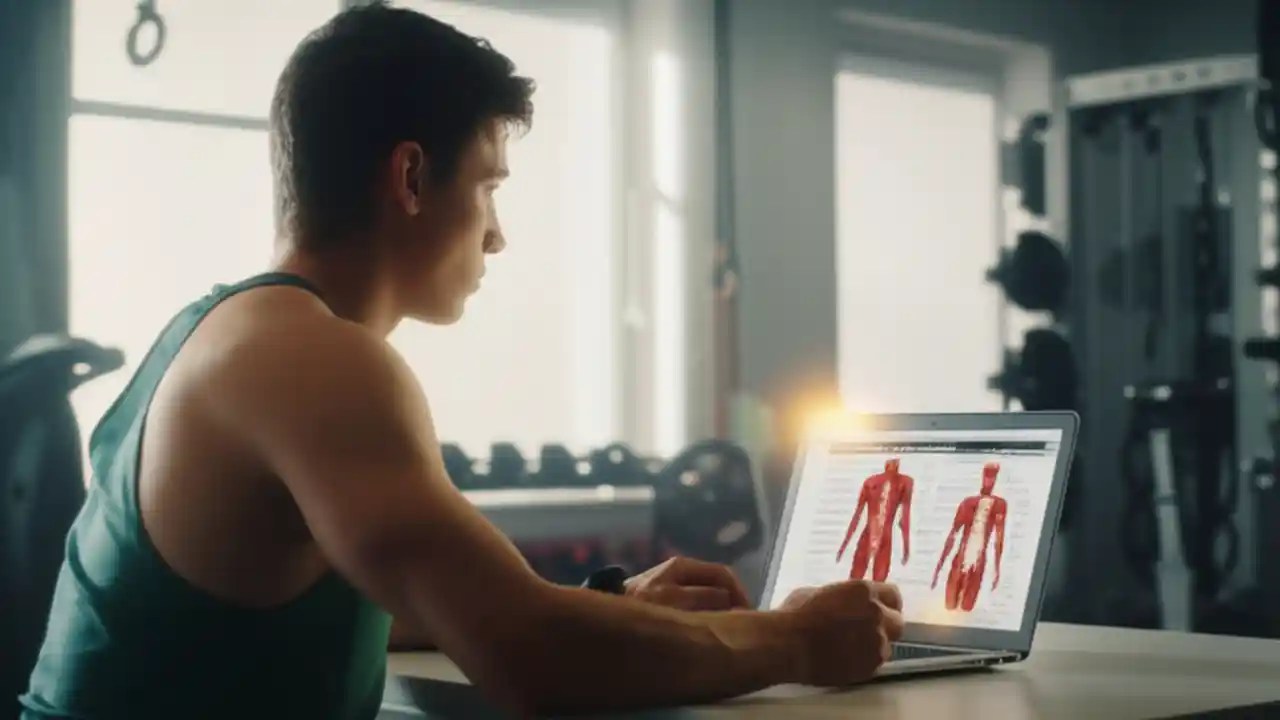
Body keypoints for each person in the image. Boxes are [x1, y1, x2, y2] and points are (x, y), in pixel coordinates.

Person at [19, 4, 903, 718]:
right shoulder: (314, 361)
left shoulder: (225, 330)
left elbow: (397, 607)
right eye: (488, 186)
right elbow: (531, 661)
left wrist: (611, 610)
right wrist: (796, 639)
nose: (497, 233)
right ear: (409, 179)